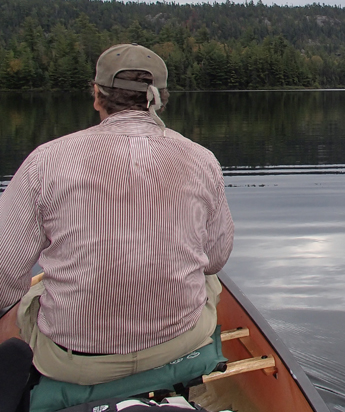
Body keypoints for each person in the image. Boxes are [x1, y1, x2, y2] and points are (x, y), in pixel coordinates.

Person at [0, 43, 234, 386]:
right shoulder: (201, 159)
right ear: (161, 98)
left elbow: (5, 272)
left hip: (74, 362)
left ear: (97, 95)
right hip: (176, 343)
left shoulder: (45, 161)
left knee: (19, 303)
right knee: (209, 276)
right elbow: (215, 259)